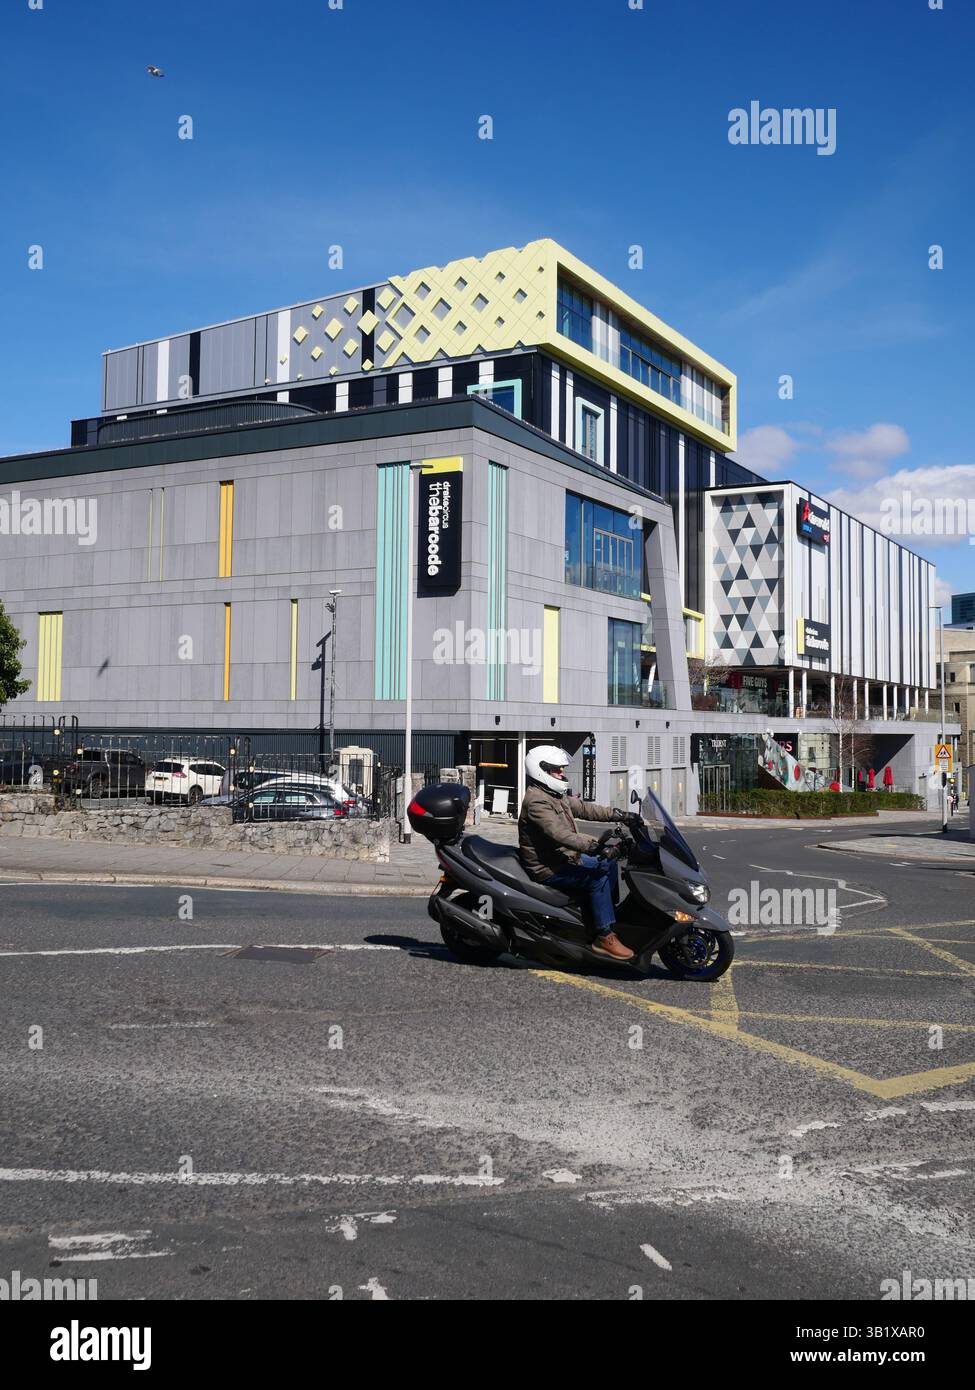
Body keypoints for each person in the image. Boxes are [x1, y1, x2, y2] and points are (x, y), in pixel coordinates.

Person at [518, 745, 640, 961]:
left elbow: (584, 808)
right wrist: (595, 847)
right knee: (597, 878)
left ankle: (605, 917)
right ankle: (603, 936)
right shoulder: (537, 801)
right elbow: (559, 834)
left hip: (563, 858)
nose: (562, 773)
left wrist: (619, 814)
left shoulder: (554, 794)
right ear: (542, 770)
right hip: (548, 867)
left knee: (609, 864)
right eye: (557, 770)